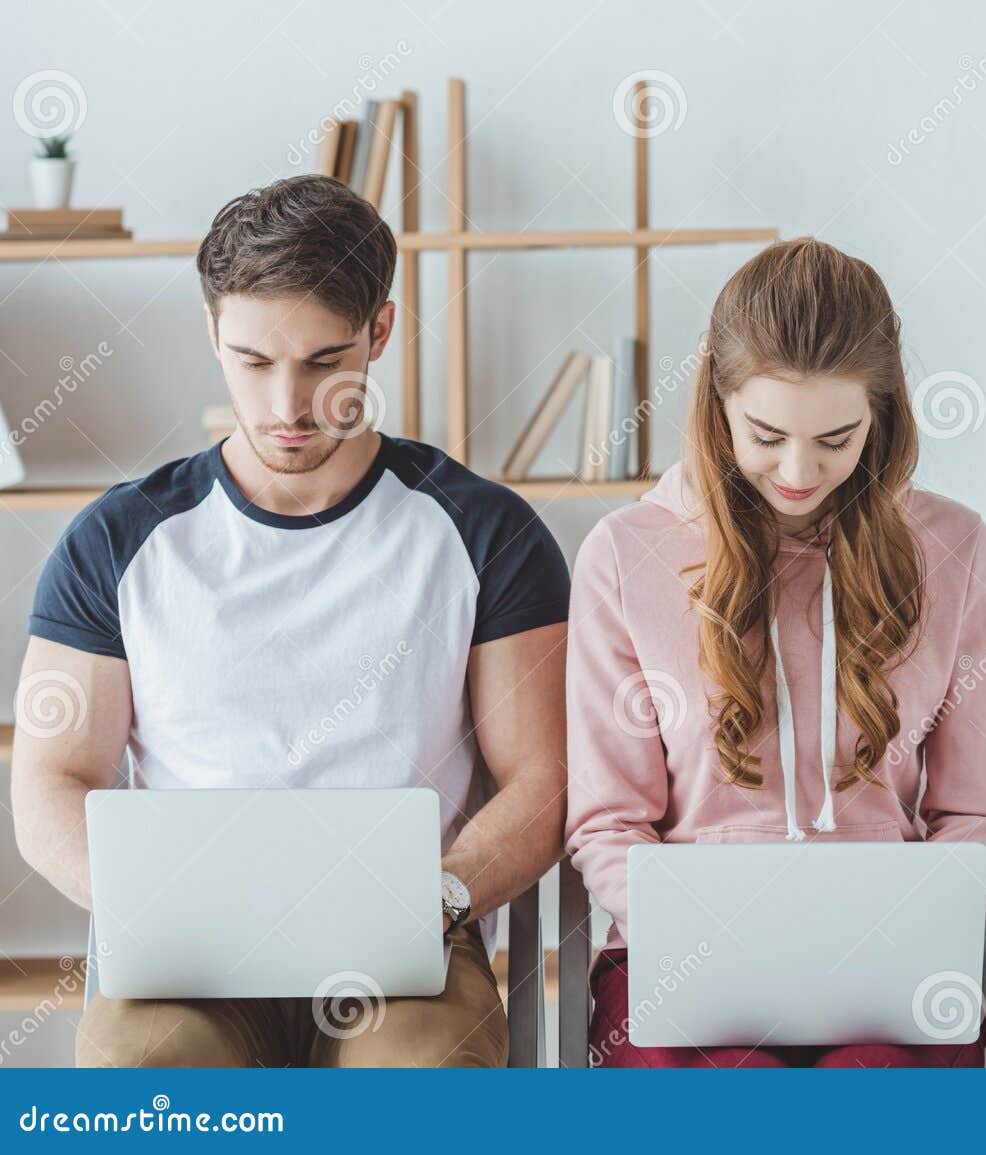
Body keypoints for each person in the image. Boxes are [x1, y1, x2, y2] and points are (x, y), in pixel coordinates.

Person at [10, 175, 570, 1068]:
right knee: (137, 1078)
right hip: (184, 952)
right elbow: (51, 782)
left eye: (323, 360)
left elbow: (541, 781)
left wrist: (437, 896)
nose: (286, 406)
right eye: (253, 361)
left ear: (379, 331)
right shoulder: (118, 540)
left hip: (405, 948)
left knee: (421, 1085)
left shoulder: (484, 532)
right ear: (212, 333)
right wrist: (151, 910)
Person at [565, 237, 986, 1067]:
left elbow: (977, 811)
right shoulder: (624, 553)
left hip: (890, 958)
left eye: (836, 439)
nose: (800, 472)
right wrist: (717, 932)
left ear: (882, 415)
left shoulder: (955, 547)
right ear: (717, 404)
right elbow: (608, 819)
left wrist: (906, 916)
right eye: (766, 435)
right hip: (684, 963)